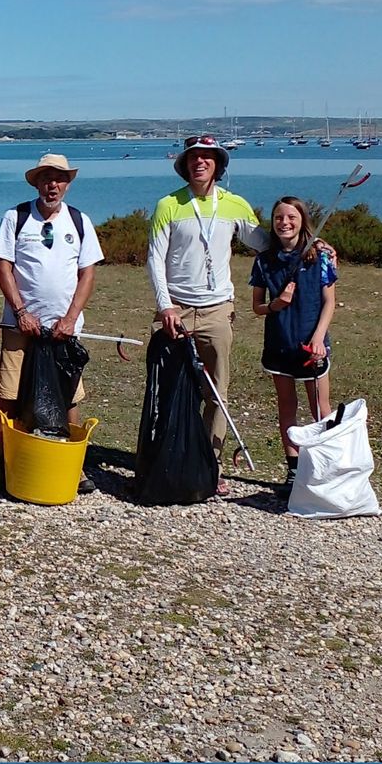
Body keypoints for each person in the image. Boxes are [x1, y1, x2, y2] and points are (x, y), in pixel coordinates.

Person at [146, 134, 268, 495]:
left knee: (216, 392)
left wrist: (309, 245)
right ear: (185, 165)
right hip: (176, 310)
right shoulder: (168, 205)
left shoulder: (234, 204)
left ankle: (210, 467)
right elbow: (155, 259)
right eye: (193, 157)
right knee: (167, 389)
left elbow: (264, 243)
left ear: (218, 165)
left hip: (217, 310)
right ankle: (165, 461)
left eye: (207, 158)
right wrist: (165, 306)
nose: (200, 162)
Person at [0, 153, 103, 494]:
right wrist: (21, 312)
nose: (52, 185)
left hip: (64, 331)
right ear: (36, 182)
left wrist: (70, 319)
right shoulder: (16, 217)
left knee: (69, 396)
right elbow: (3, 268)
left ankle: (73, 466)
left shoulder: (80, 221)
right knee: (8, 395)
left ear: (67, 184)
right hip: (18, 327)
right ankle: (1, 461)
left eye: (59, 179)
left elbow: (87, 274)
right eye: (46, 178)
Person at [251, 196, 338, 503]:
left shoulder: (320, 256)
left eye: (291, 217)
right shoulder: (264, 260)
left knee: (320, 409)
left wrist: (319, 338)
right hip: (279, 344)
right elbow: (257, 307)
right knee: (287, 405)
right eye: (278, 217)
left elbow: (329, 302)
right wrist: (277, 304)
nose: (284, 223)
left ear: (302, 221)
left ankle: (327, 468)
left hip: (312, 347)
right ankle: (293, 469)